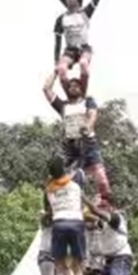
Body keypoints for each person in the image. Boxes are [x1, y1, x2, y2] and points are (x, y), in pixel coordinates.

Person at [43, 72, 111, 206]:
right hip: (70, 147)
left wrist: (88, 126)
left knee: (101, 178)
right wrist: (56, 72)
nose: (73, 88)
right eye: (70, 86)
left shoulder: (88, 101)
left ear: (81, 89)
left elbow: (92, 115)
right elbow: (47, 89)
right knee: (59, 176)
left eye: (76, 86)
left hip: (88, 144)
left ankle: (106, 206)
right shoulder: (63, 106)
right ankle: (53, 206)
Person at [43, 157, 88, 275]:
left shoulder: (49, 189)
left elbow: (48, 210)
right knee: (78, 268)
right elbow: (82, 205)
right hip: (76, 222)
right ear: (63, 169)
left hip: (59, 223)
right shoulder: (75, 184)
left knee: (60, 267)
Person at [53, 0, 104, 83]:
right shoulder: (61, 19)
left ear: (78, 0)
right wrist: (56, 61)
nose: (71, 0)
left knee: (83, 63)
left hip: (84, 49)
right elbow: (57, 41)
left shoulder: (85, 13)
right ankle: (71, 96)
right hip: (69, 51)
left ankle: (82, 89)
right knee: (61, 69)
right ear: (65, 1)